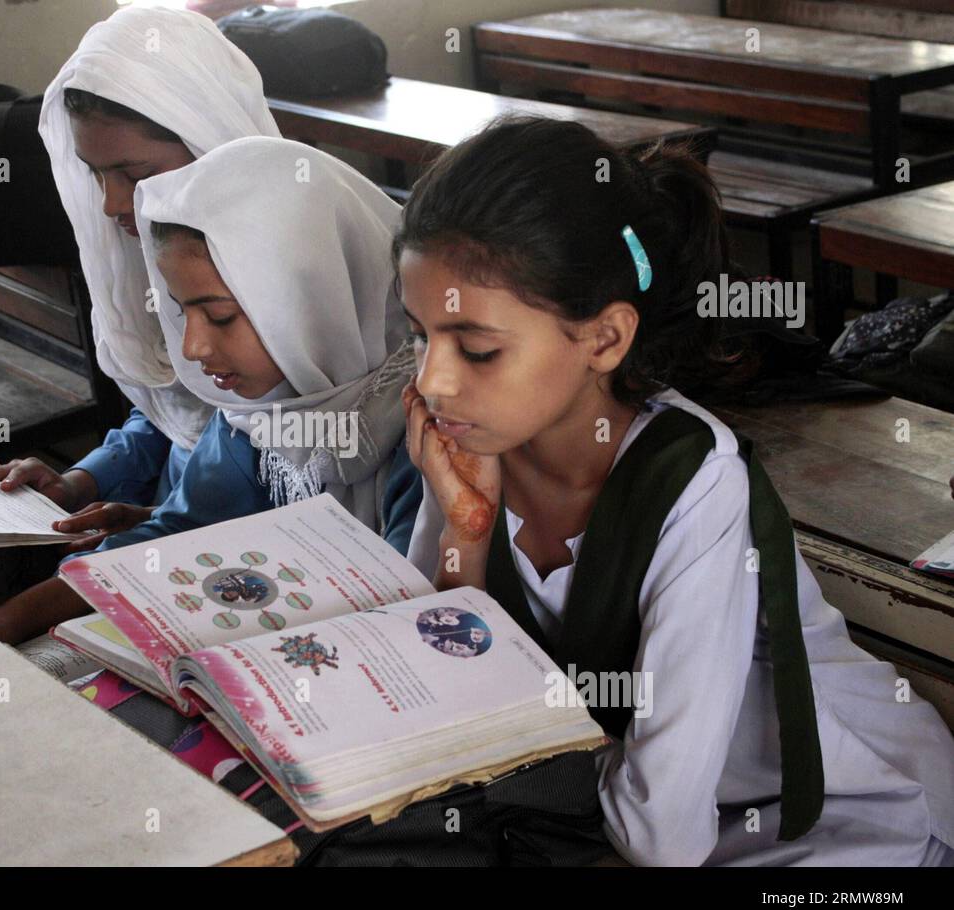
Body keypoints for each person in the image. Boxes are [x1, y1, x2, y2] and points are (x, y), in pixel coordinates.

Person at [398, 117, 954, 866]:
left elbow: (661, 838)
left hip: (828, 814)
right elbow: (429, 699)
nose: (432, 379)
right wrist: (464, 539)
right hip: (628, 811)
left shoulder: (696, 485)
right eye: (418, 334)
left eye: (477, 348)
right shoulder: (473, 439)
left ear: (604, 339)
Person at [0, 138, 421, 644]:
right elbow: (176, 533)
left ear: (312, 296)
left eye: (222, 316)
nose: (192, 347)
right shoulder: (255, 413)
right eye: (183, 313)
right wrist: (6, 621)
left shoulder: (422, 421)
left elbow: (404, 609)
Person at [0, 4, 281, 550]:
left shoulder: (294, 274)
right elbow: (170, 410)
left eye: (135, 174)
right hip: (167, 520)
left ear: (208, 141)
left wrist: (158, 519)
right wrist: (81, 482)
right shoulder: (153, 250)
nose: (110, 203)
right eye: (95, 174)